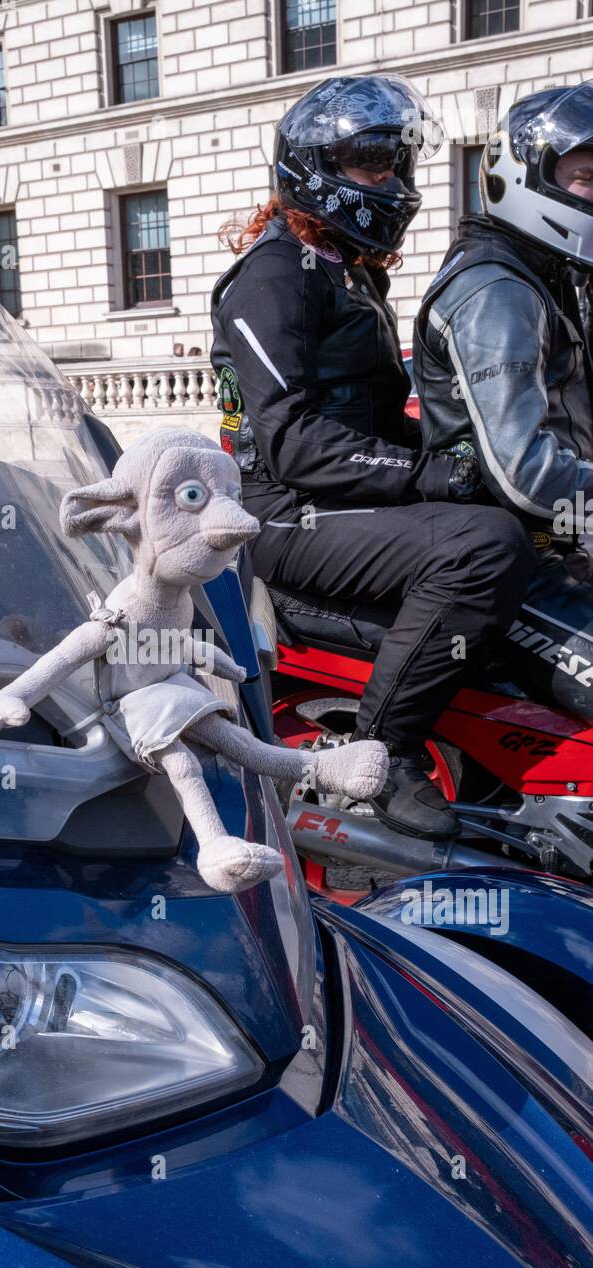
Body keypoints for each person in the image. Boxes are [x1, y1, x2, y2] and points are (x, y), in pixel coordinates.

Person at [210, 73, 535, 840]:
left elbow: (379, 416)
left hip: (340, 500)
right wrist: (431, 475)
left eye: (397, 165)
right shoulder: (273, 277)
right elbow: (290, 438)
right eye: (372, 166)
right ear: (317, 168)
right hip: (283, 518)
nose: (393, 183)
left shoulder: (344, 271)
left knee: (521, 519)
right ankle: (385, 755)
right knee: (484, 547)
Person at [415, 82, 593, 718]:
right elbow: (525, 473)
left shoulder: (551, 275)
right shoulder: (496, 289)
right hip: (524, 557)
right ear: (527, 178)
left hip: (561, 543)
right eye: (586, 178)